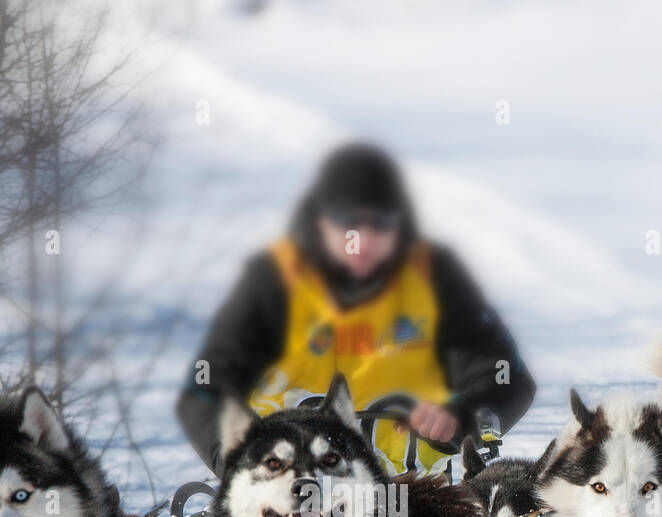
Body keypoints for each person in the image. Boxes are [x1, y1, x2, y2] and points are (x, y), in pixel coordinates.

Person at [176, 142, 535, 477]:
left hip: (410, 503)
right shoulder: (274, 285)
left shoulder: (434, 280)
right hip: (290, 494)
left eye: (379, 223)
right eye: (348, 220)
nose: (363, 239)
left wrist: (461, 419)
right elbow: (204, 392)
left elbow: (507, 377)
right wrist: (237, 464)